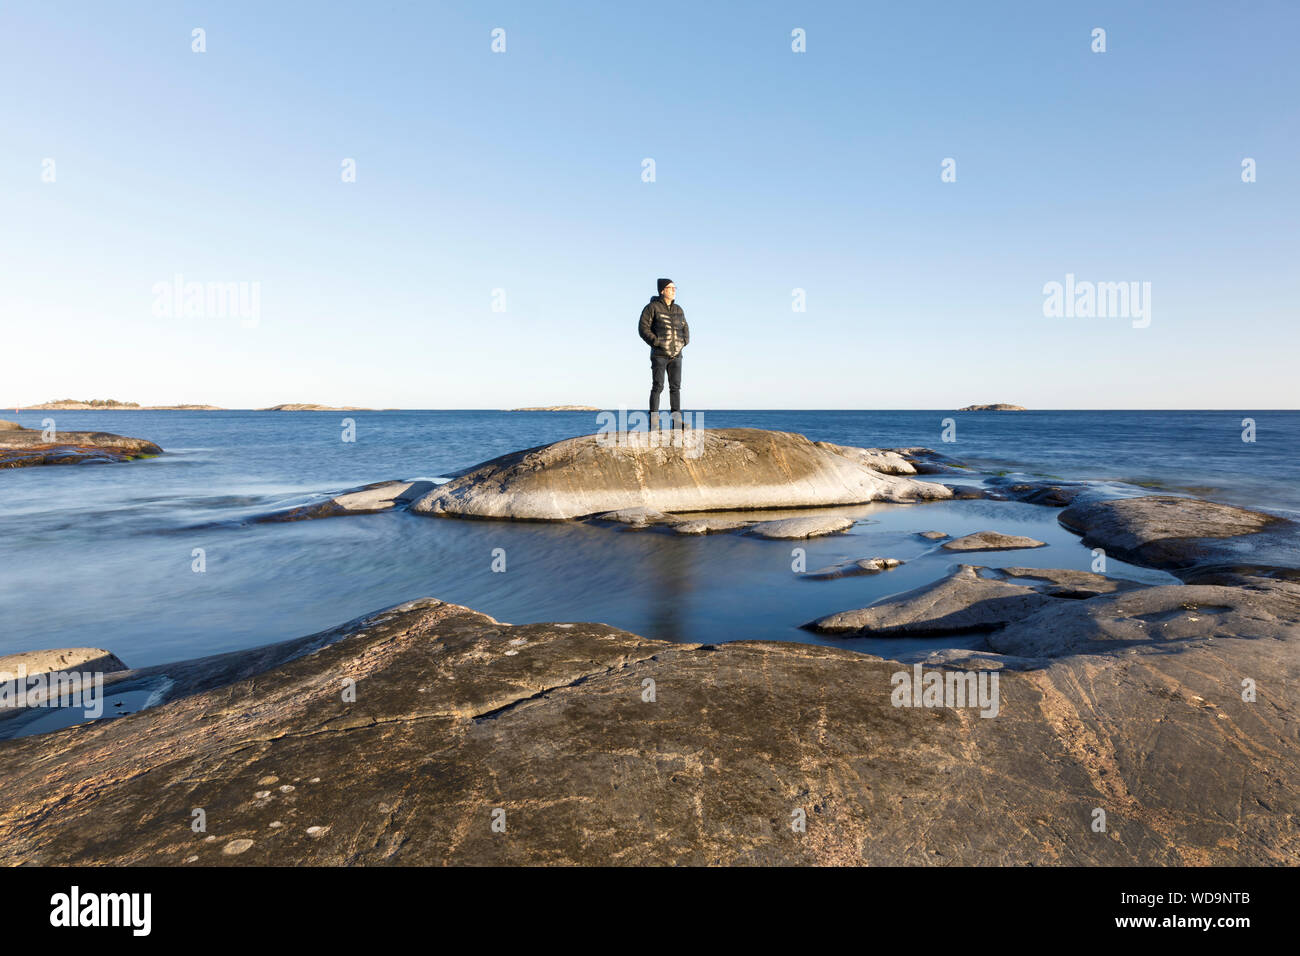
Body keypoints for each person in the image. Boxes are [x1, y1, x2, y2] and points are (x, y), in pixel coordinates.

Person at [637, 278, 690, 427]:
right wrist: (657, 342)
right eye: (670, 288)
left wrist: (684, 342)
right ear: (662, 291)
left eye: (674, 288)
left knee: (675, 388)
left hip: (676, 355)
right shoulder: (651, 307)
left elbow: (685, 327)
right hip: (659, 354)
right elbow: (643, 329)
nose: (673, 290)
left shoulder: (679, 309)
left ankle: (677, 423)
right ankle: (654, 423)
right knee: (658, 386)